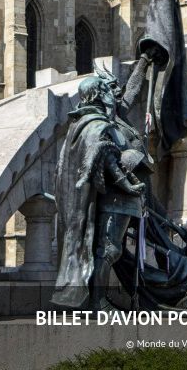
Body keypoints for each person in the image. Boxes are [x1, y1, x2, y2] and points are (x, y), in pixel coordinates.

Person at [52, 67, 152, 309]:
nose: (112, 94)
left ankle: (98, 300)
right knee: (109, 250)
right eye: (107, 89)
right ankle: (98, 302)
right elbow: (104, 155)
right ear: (98, 93)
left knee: (109, 250)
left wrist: (145, 60)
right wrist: (128, 184)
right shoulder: (95, 123)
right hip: (116, 198)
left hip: (118, 198)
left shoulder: (91, 121)